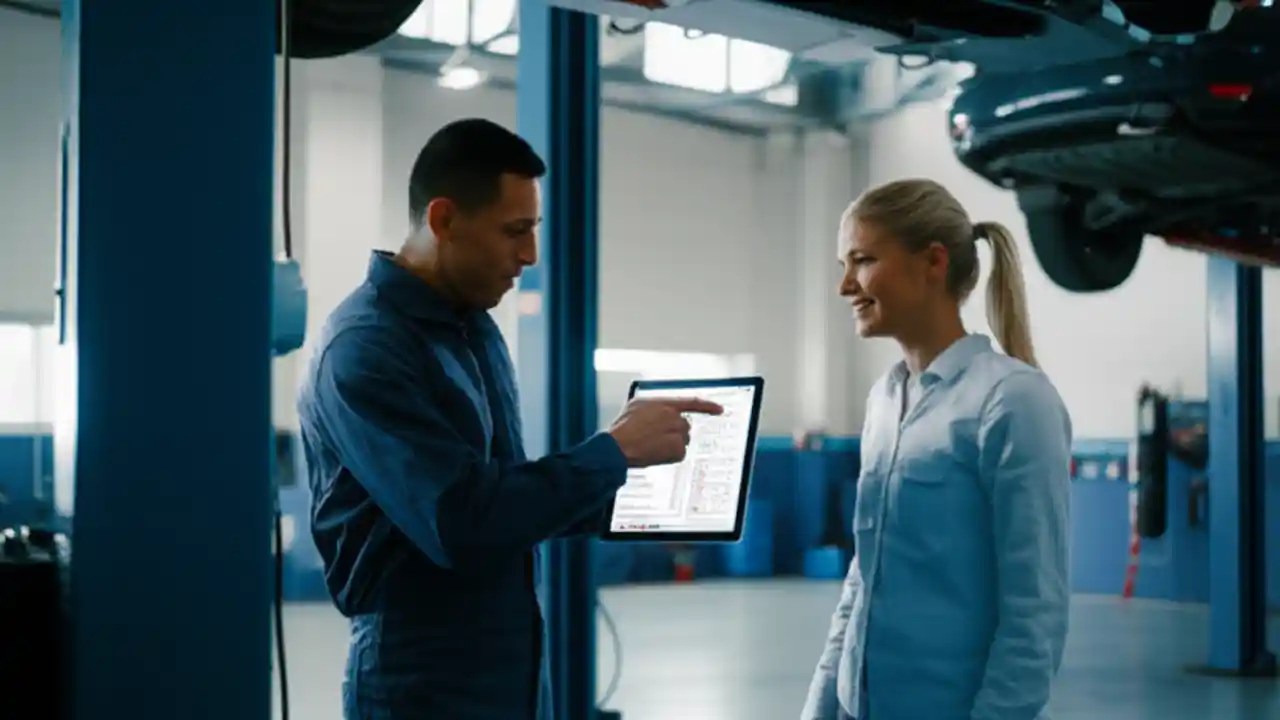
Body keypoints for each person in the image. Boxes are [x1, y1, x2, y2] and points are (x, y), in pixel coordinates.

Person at [296, 118, 722, 720]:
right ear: (443, 220)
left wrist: (646, 501)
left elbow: (504, 499)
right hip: (417, 672)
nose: (530, 255)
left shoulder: (473, 327)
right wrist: (611, 453)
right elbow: (460, 521)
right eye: (515, 231)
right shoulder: (365, 347)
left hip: (507, 655)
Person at [801, 179, 1072, 720]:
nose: (845, 286)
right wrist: (822, 705)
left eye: (862, 260)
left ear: (932, 262)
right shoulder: (884, 399)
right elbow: (864, 575)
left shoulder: (1012, 400)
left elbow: (1034, 609)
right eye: (843, 264)